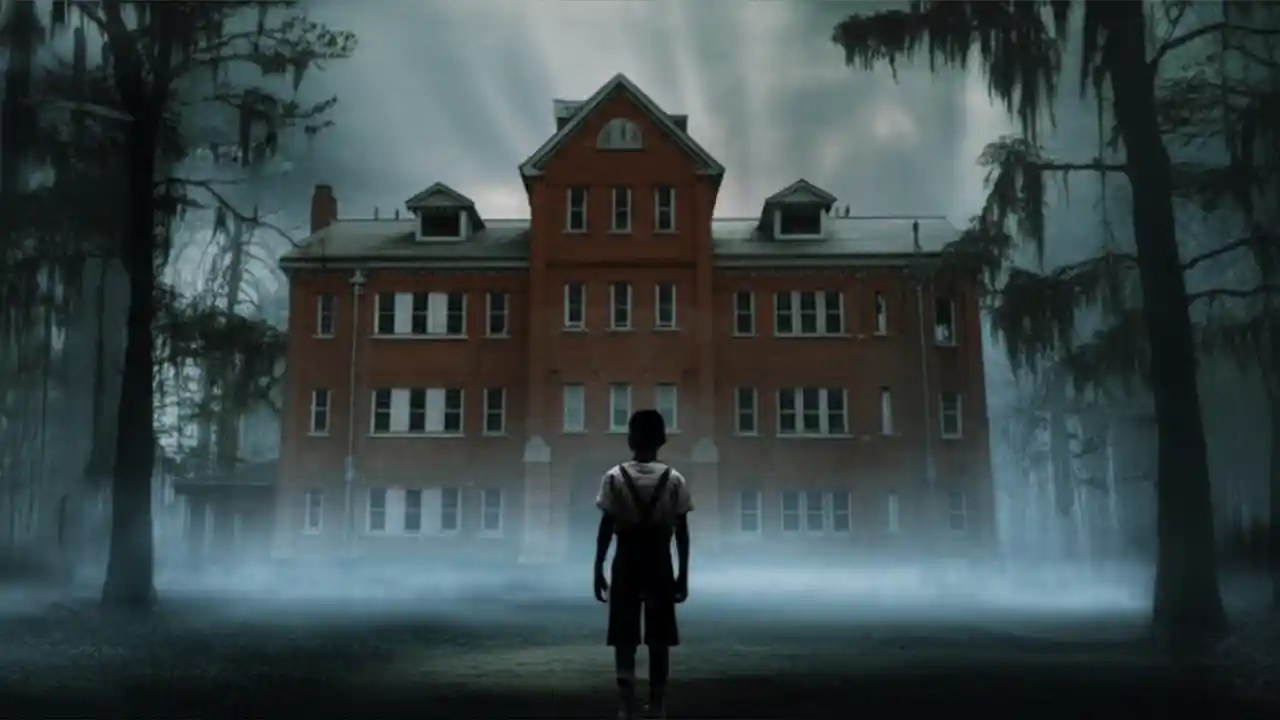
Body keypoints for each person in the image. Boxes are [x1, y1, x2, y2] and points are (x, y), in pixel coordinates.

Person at [593, 409, 692, 720]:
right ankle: (658, 704)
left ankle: (625, 705)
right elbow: (682, 534)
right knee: (659, 636)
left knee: (624, 635)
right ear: (661, 440)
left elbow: (606, 527)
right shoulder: (674, 479)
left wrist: (597, 567)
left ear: (631, 439)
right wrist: (683, 575)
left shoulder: (613, 477)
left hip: (627, 559)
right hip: (659, 560)